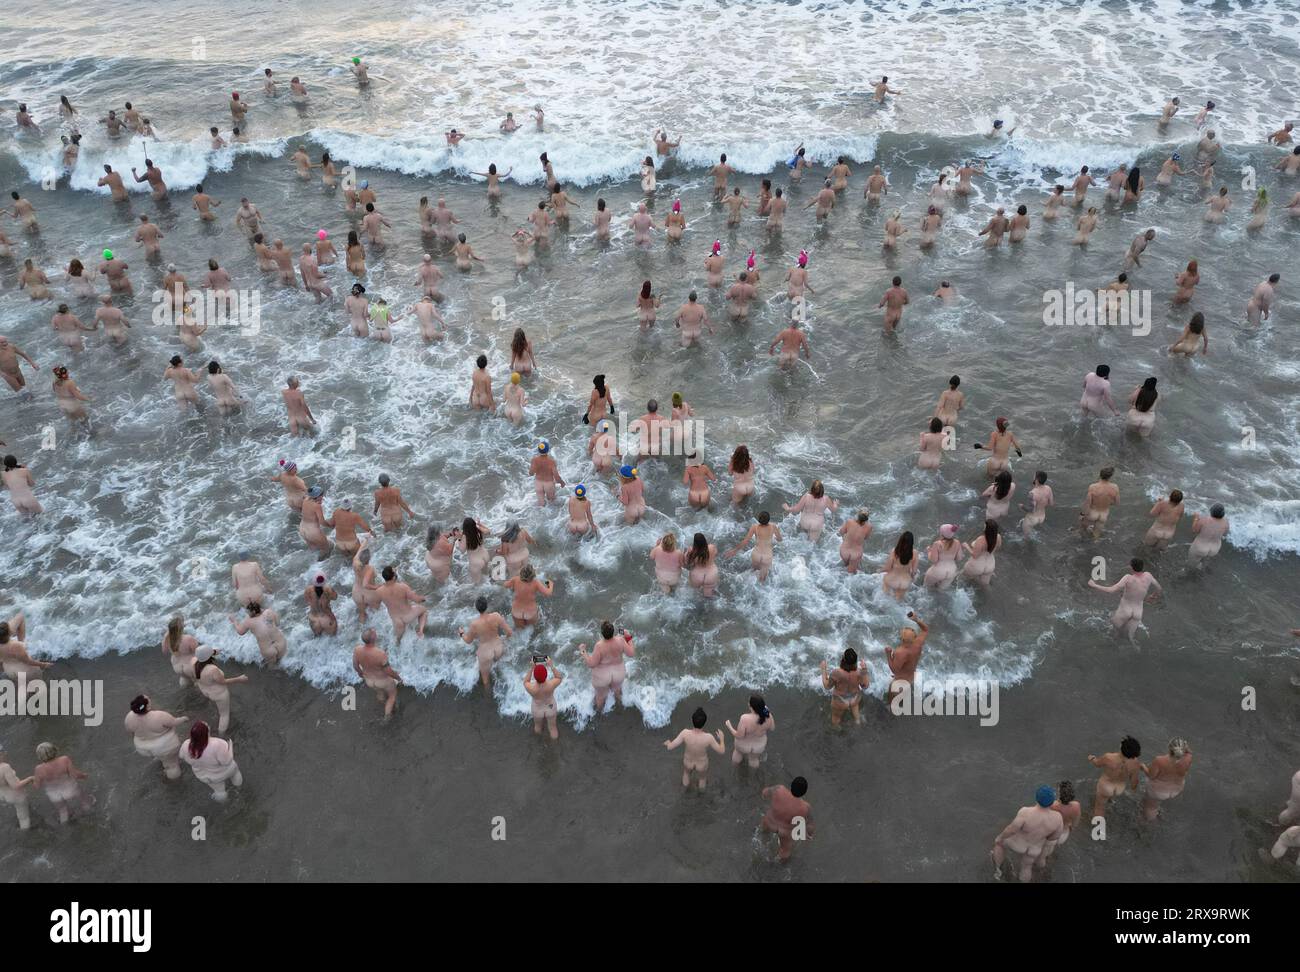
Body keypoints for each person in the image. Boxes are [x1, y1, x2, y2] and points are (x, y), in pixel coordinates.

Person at [991, 786, 1064, 883]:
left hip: (1016, 844)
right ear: (1052, 801)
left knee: (999, 844)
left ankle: (998, 870)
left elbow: (1012, 829)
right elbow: (1055, 837)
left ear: (1037, 798)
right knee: (1026, 867)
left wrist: (1000, 837)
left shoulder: (1025, 812)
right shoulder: (1058, 818)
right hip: (1034, 850)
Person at [1088, 558, 1161, 642]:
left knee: (1112, 632)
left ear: (1131, 567)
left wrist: (1094, 585)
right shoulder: (1148, 576)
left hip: (1125, 610)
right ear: (1142, 567)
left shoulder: (1128, 578)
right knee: (1130, 638)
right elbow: (1159, 588)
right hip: (1137, 613)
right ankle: (1136, 650)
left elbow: (1111, 590)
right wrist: (1153, 596)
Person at [124, 695, 187, 780]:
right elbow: (174, 722)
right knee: (172, 765)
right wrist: (184, 718)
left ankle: (162, 760)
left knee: (162, 757)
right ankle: (176, 784)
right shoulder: (159, 716)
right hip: (164, 747)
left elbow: (130, 732)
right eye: (149, 699)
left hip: (143, 748)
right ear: (148, 706)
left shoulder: (129, 717)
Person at [578, 622, 635, 712]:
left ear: (602, 633)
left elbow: (591, 664)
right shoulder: (620, 640)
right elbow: (631, 653)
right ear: (613, 631)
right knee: (617, 692)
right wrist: (628, 637)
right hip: (618, 674)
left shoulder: (599, 646)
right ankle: (620, 709)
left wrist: (583, 651)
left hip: (602, 677)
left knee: (600, 697)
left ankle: (600, 714)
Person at [664, 707, 726, 790]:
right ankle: (701, 795)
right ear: (704, 722)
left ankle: (684, 791)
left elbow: (670, 747)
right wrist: (721, 738)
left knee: (686, 774)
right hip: (701, 764)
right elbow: (722, 751)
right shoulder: (708, 737)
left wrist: (668, 743)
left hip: (688, 762)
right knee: (702, 779)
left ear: (692, 719)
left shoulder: (685, 733)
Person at [180, 721, 243, 802]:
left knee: (219, 791)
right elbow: (227, 762)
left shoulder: (186, 745)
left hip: (206, 777)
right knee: (235, 773)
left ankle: (224, 805)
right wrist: (230, 747)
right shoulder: (217, 744)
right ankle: (239, 790)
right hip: (224, 772)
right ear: (207, 732)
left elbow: (181, 756)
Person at [460, 596, 513, 690]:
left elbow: (468, 641)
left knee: (485, 681)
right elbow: (509, 632)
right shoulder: (496, 616)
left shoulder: (474, 624)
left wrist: (462, 634)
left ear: (476, 608)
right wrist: (504, 639)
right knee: (502, 668)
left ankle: (487, 699)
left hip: (485, 653)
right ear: (486, 606)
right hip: (499, 648)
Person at [31, 742, 92, 823]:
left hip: (54, 795)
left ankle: (65, 827)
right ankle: (90, 815)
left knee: (63, 812)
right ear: (54, 749)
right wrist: (84, 775)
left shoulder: (38, 769)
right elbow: (75, 775)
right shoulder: (64, 760)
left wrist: (31, 779)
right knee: (84, 801)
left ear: (39, 756)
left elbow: (36, 786)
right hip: (70, 789)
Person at [761, 777, 812, 863]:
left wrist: (765, 796)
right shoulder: (805, 807)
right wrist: (809, 833)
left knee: (763, 830)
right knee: (785, 851)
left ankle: (761, 837)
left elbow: (765, 792)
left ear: (791, 785)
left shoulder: (779, 789)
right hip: (783, 831)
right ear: (804, 792)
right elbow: (809, 824)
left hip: (769, 822)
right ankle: (778, 864)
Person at [353, 628, 401, 719]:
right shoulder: (380, 654)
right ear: (374, 638)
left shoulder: (357, 650)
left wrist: (360, 673)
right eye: (374, 633)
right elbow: (388, 671)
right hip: (383, 681)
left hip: (369, 681)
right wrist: (398, 678)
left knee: (380, 693)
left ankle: (384, 702)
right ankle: (387, 716)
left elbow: (355, 666)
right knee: (392, 696)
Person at [1089, 736, 1141, 819]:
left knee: (1099, 809)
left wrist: (1092, 758)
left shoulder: (1108, 757)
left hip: (1106, 787)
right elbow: (1134, 782)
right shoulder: (1136, 763)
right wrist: (1134, 789)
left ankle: (1098, 830)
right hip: (1119, 788)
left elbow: (1097, 764)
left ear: (1121, 747)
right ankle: (1110, 800)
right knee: (1109, 796)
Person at [1141, 738, 1192, 821]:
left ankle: (1147, 825)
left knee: (1151, 808)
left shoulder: (1160, 760)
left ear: (1169, 747)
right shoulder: (1189, 758)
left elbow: (1151, 776)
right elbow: (1189, 752)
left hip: (1159, 792)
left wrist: (1143, 767)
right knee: (1156, 803)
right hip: (1176, 789)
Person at [725, 510, 782, 582]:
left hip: (756, 555)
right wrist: (775, 538)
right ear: (768, 519)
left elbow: (745, 541)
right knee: (762, 580)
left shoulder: (755, 527)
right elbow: (780, 539)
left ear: (759, 520)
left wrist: (734, 550)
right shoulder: (773, 526)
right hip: (767, 556)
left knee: (753, 572)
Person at [820, 648, 869, 726]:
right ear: (856, 661)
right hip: (855, 698)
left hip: (840, 701)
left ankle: (836, 731)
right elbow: (865, 686)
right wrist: (864, 668)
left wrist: (823, 669)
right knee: (856, 712)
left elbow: (827, 686)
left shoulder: (837, 673)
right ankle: (858, 723)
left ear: (843, 659)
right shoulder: (860, 672)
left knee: (836, 719)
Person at [727, 696, 774, 769]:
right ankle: (752, 777)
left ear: (750, 706)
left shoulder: (745, 718)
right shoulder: (768, 714)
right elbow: (772, 728)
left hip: (743, 745)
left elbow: (739, 736)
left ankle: (734, 769)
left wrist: (729, 727)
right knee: (754, 760)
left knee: (737, 754)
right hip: (759, 746)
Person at [503, 564, 554, 628]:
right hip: (530, 613)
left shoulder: (515, 579)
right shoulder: (536, 583)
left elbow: (505, 585)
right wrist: (550, 584)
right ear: (533, 575)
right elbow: (548, 593)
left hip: (517, 612)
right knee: (532, 629)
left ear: (521, 573)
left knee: (519, 631)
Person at [524, 659, 563, 740]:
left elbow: (525, 681)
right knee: (553, 728)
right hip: (550, 707)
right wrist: (551, 666)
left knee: (537, 727)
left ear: (534, 677)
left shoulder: (531, 688)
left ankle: (539, 741)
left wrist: (531, 668)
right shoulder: (551, 684)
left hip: (537, 709)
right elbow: (559, 677)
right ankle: (554, 744)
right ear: (546, 675)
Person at [0, 742, 35, 830]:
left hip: (3, 795)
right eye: (3, 752)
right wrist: (30, 778)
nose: (5, 753)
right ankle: (26, 834)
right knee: (24, 818)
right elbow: (16, 786)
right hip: (16, 795)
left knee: (21, 808)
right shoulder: (5, 767)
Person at [1079, 466, 1119, 539]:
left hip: (1092, 513)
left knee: (1082, 530)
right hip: (1103, 515)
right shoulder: (1115, 487)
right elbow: (1116, 503)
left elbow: (1087, 503)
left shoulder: (1093, 487)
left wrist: (1082, 514)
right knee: (1096, 536)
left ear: (1100, 475)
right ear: (1110, 477)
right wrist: (1106, 503)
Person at [962, 520, 1001, 588]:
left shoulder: (981, 540)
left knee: (964, 578)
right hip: (990, 565)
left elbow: (975, 556)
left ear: (986, 528)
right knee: (985, 586)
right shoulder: (998, 537)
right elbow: (998, 547)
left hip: (976, 566)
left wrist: (966, 546)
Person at [881, 532, 918, 600]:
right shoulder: (915, 553)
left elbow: (888, 568)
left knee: (884, 599)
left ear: (900, 540)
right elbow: (914, 572)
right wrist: (911, 578)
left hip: (891, 580)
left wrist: (879, 570)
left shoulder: (895, 551)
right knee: (898, 602)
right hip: (904, 583)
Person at [1018, 472, 1054, 537]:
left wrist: (1022, 506)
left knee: (1026, 538)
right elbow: (1051, 503)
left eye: (1034, 476)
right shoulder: (1048, 488)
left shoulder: (1032, 493)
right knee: (1033, 534)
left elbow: (1031, 510)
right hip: (1042, 516)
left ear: (1036, 480)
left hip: (1032, 518)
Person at [685, 532, 720, 597]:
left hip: (696, 576)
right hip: (711, 575)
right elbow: (716, 553)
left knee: (695, 596)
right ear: (704, 540)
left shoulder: (692, 551)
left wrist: (688, 552)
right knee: (708, 597)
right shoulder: (712, 547)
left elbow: (686, 562)